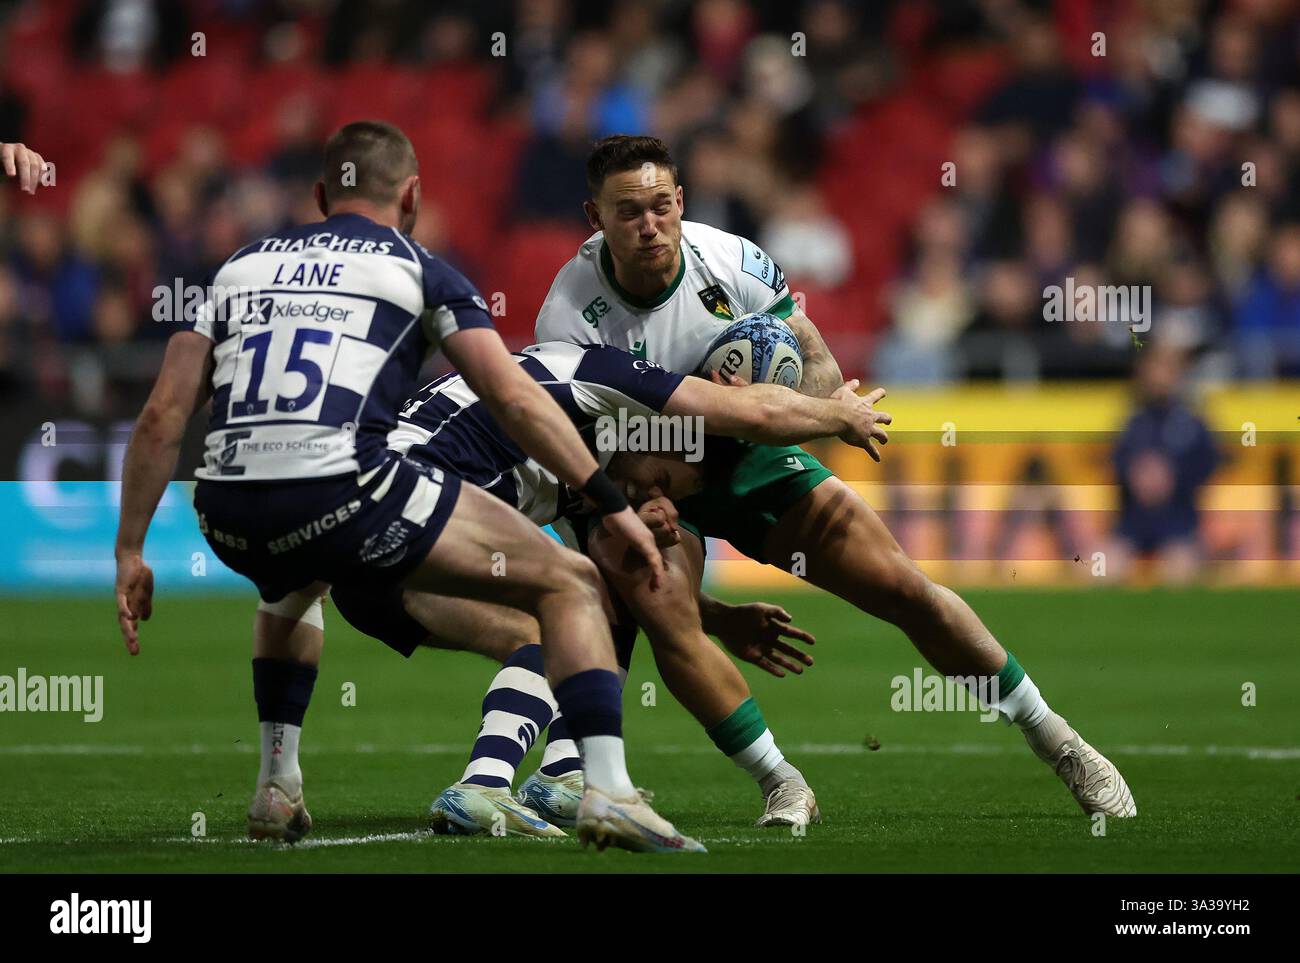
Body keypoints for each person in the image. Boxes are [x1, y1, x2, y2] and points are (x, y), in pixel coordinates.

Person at [450, 134, 1137, 820]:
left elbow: (822, 374)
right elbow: (591, 452)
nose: (650, 224)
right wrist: (640, 498)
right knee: (667, 614)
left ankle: (1059, 739)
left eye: (662, 206)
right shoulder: (568, 314)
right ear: (594, 217)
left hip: (750, 453)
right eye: (628, 211)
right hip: (655, 478)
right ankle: (781, 780)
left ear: (681, 202)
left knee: (904, 587)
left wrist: (764, 416)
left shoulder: (734, 262)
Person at [112, 120, 701, 854]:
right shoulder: (419, 268)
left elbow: (163, 414)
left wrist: (131, 549)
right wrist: (609, 501)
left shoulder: (237, 267)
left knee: (289, 584)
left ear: (323, 195)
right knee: (570, 583)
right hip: (341, 489)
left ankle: (275, 786)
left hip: (225, 504)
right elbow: (515, 400)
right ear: (413, 196)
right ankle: (607, 791)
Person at [323, 339, 887, 833]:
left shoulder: (574, 458)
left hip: (361, 562)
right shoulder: (601, 377)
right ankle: (486, 785)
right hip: (409, 505)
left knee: (595, 594)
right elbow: (752, 413)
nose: (654, 498)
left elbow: (606, 572)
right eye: (662, 480)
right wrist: (837, 417)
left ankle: (564, 774)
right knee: (562, 612)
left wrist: (711, 615)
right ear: (663, 428)